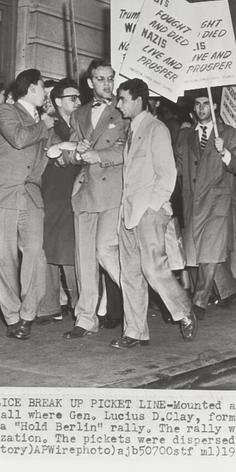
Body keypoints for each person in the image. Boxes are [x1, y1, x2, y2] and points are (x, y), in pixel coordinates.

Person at [113, 78, 197, 348]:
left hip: (148, 212)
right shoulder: (131, 130)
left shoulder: (156, 129)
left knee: (153, 269)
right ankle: (134, 332)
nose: (118, 104)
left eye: (123, 99)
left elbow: (167, 173)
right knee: (130, 274)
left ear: (139, 100)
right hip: (128, 213)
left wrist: (152, 208)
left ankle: (184, 311)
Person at [0, 68, 54, 340]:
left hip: (31, 194)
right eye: (43, 87)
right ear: (32, 88)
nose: (45, 93)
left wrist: (73, 150)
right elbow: (20, 138)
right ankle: (13, 316)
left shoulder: (45, 120)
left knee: (35, 254)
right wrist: (44, 125)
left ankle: (28, 314)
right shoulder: (5, 111)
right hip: (1, 193)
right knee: (2, 257)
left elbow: (52, 151)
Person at [63, 60, 129, 340]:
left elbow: (129, 151)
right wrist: (76, 152)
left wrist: (98, 156)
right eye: (100, 79)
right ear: (90, 83)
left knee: (105, 250)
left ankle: (137, 294)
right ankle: (86, 318)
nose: (106, 84)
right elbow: (68, 155)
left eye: (110, 78)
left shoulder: (123, 111)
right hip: (85, 193)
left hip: (113, 191)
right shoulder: (78, 114)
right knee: (84, 259)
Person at [174, 93, 236, 319]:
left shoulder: (230, 133)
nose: (202, 108)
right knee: (197, 251)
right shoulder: (185, 136)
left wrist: (225, 152)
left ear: (214, 106)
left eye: (206, 104)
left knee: (209, 251)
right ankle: (231, 291)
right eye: (197, 104)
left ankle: (199, 302)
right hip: (193, 202)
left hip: (218, 201)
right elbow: (177, 167)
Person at [41, 79, 82, 323]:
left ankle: (79, 304)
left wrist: (68, 145)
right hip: (53, 190)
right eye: (72, 98)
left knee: (71, 249)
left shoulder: (81, 123)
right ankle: (50, 305)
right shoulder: (49, 124)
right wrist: (76, 147)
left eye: (78, 97)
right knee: (50, 247)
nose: (77, 102)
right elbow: (57, 156)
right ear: (58, 101)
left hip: (75, 191)